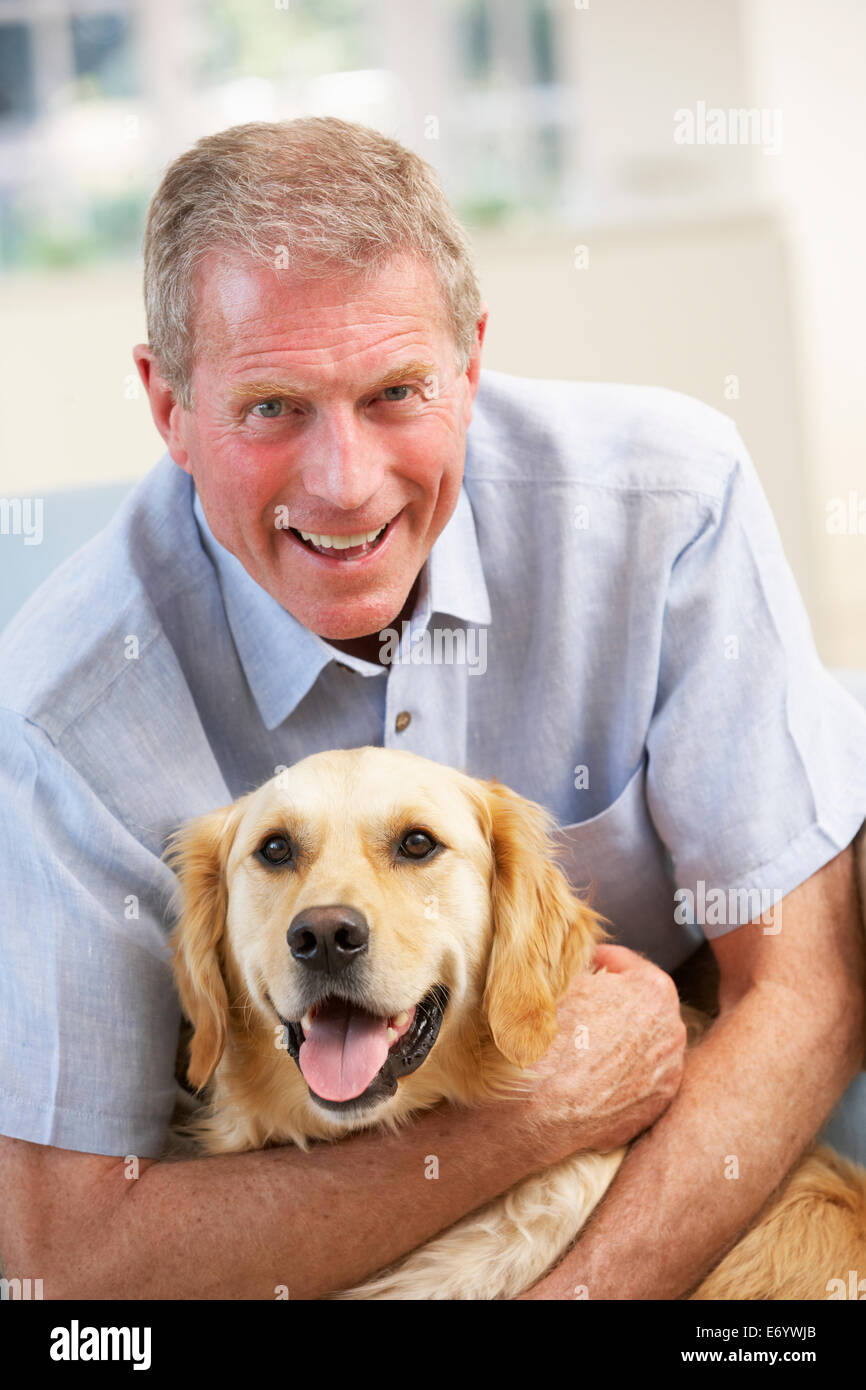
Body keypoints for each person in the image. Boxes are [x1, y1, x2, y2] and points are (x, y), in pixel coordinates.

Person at [0, 117, 864, 1301]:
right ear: (169, 407)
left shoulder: (670, 507)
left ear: (470, 363)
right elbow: (71, 1259)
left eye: (397, 390)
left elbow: (803, 987)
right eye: (270, 408)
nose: (345, 484)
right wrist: (532, 1117)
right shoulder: (54, 719)